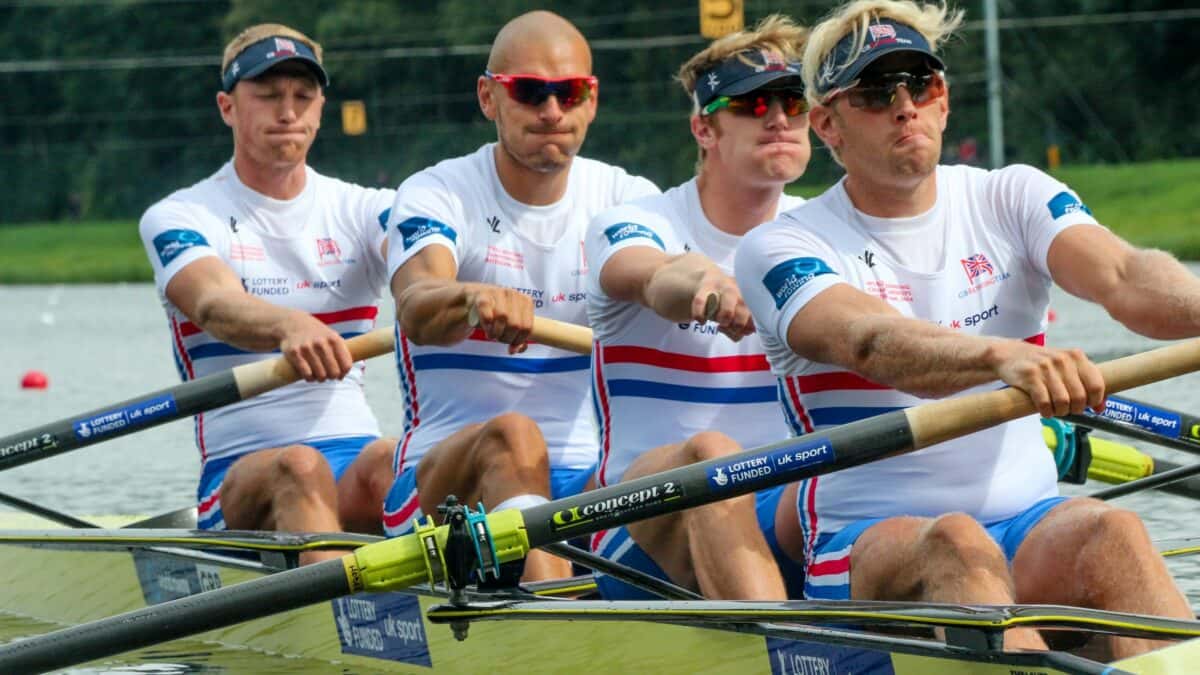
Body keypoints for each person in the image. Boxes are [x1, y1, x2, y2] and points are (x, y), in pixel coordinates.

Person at [735, 0, 1193, 656]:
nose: (904, 105)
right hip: (862, 545)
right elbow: (872, 341)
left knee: (1114, 531)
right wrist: (999, 356)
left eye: (920, 83)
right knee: (956, 541)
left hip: (1028, 524)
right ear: (827, 125)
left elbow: (1125, 277)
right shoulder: (780, 245)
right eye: (874, 92)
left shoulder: (1010, 196)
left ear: (943, 100)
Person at [380, 11, 658, 581]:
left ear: (592, 99)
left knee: (677, 459)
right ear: (488, 97)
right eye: (529, 92)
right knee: (514, 434)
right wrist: (470, 299)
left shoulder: (629, 198)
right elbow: (417, 301)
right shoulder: (438, 192)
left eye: (569, 92)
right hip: (440, 495)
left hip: (585, 482)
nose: (552, 111)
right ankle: (560, 629)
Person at [139, 24, 397, 562]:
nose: (288, 112)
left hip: (354, 458)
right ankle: (347, 626)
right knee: (300, 466)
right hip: (241, 477)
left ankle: (508, 610)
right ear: (227, 107)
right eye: (268, 95)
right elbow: (213, 304)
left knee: (407, 459)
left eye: (303, 97)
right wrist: (289, 326)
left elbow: (434, 264)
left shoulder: (365, 208)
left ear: (322, 108)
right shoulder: (180, 216)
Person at [583, 16, 811, 600]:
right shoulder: (638, 222)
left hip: (778, 506)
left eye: (793, 101)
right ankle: (777, 647)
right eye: (753, 106)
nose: (780, 118)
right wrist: (708, 283)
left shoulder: (822, 229)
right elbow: (653, 274)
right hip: (637, 522)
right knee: (715, 455)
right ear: (704, 130)